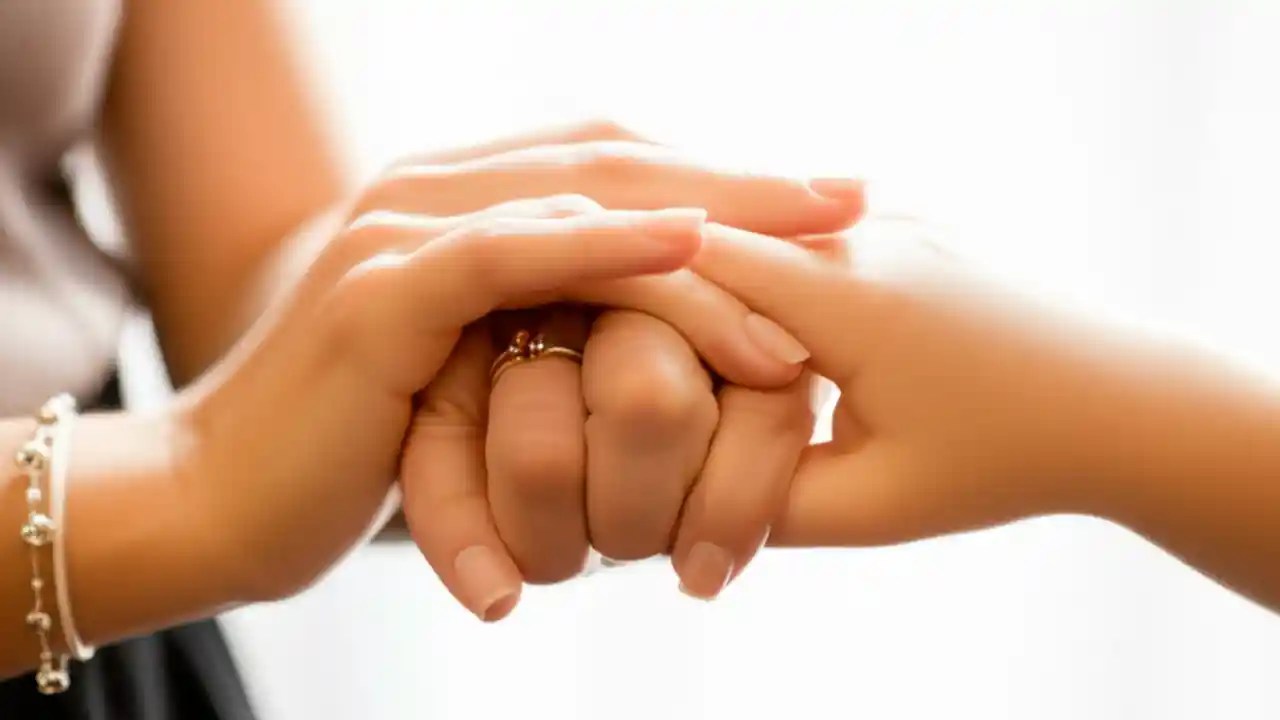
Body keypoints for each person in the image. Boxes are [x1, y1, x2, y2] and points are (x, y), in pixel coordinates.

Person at [0, 1, 864, 717]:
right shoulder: (191, 485)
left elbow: (244, 276)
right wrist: (197, 481)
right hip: (106, 559)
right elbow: (222, 448)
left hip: (116, 648)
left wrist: (494, 305)